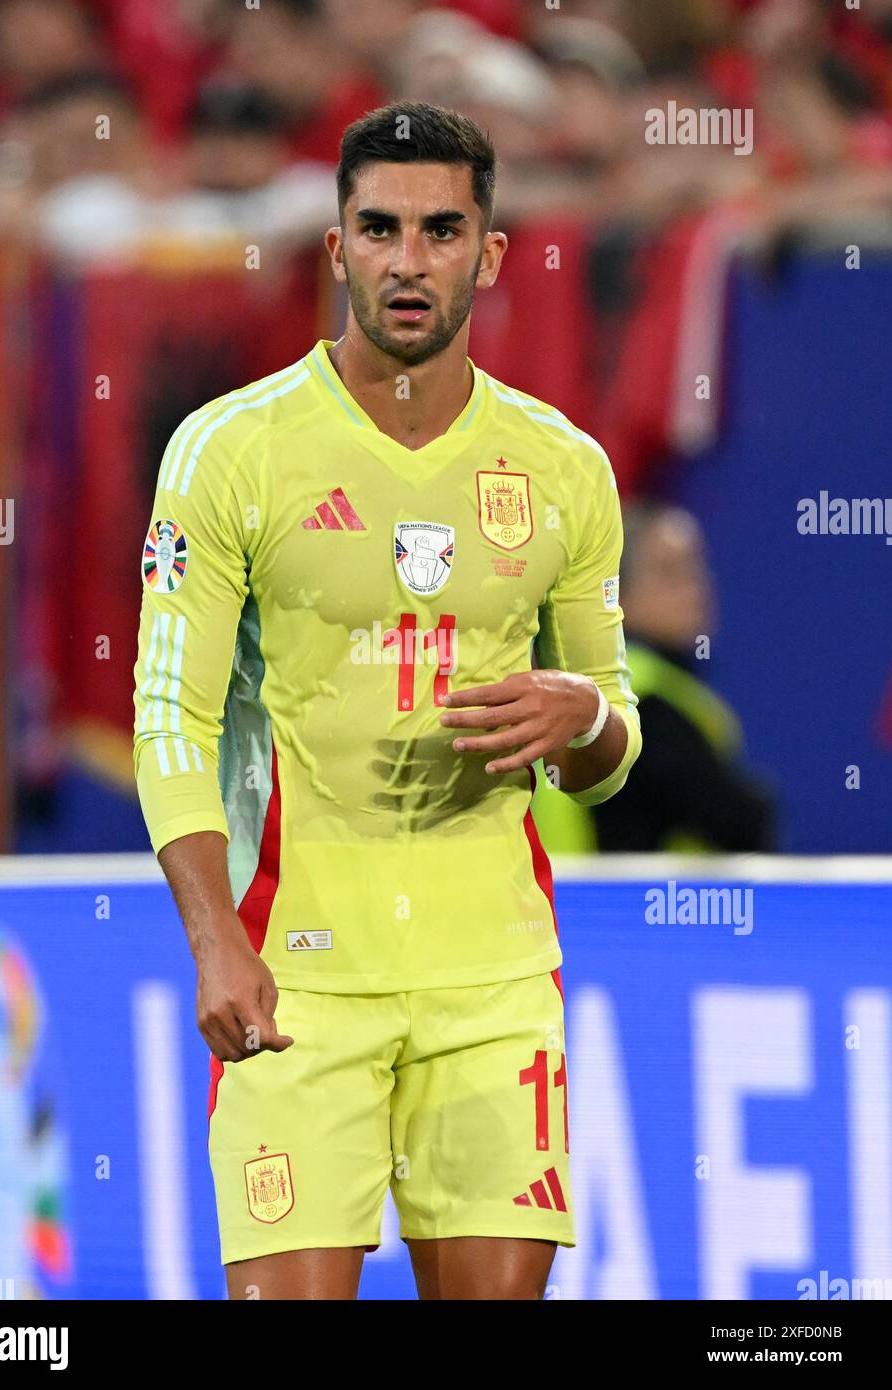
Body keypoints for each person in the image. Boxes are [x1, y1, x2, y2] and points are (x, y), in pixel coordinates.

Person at [132, 100, 642, 1302]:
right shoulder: (230, 453)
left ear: (491, 252)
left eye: (442, 231)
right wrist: (217, 943)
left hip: (495, 982)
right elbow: (172, 717)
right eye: (380, 229)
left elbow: (610, 740)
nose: (409, 262)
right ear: (336, 247)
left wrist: (587, 719)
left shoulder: (564, 469)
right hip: (294, 978)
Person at [532, 501, 775, 853]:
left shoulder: (578, 680)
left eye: (697, 568)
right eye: (669, 572)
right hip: (616, 906)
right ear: (615, 592)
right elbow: (741, 823)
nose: (695, 588)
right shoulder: (646, 703)